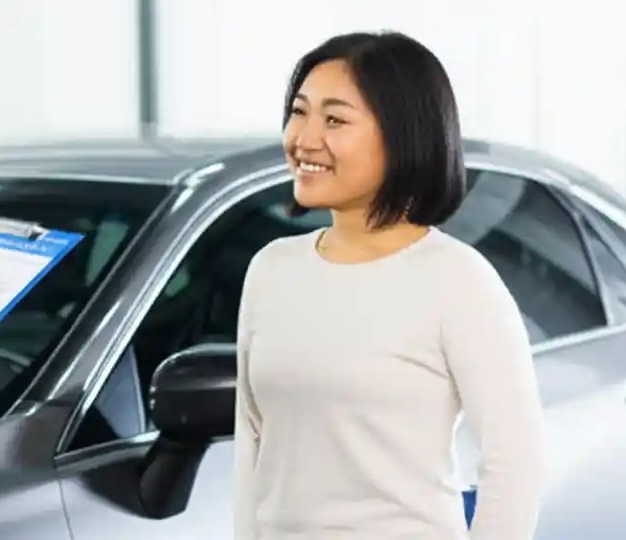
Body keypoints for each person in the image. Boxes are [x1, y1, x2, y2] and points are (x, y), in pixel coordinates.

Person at [232, 32, 547, 539]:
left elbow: (516, 464)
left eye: (334, 119)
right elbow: (252, 444)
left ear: (403, 136)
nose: (303, 139)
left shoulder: (457, 280)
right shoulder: (272, 269)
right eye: (299, 112)